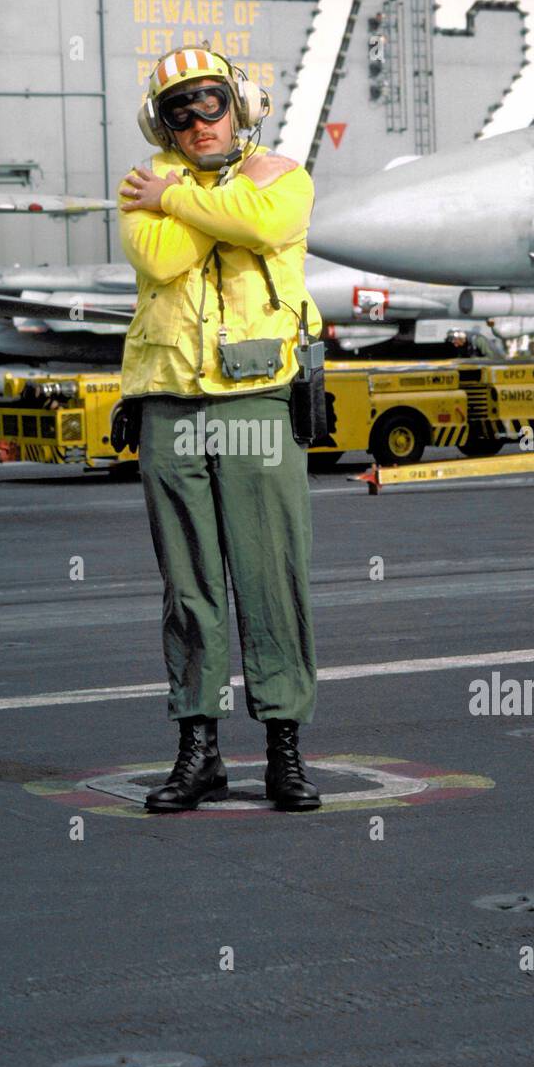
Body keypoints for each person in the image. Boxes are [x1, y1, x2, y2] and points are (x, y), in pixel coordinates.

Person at [116, 46, 323, 813]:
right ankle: (197, 752)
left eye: (211, 104)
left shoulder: (285, 175)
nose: (199, 122)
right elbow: (166, 259)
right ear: (160, 123)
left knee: (273, 578)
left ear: (240, 104)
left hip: (255, 402)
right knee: (190, 587)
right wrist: (213, 204)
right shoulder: (143, 187)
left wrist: (184, 197)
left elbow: (276, 224)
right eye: (180, 111)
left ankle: (285, 752)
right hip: (169, 407)